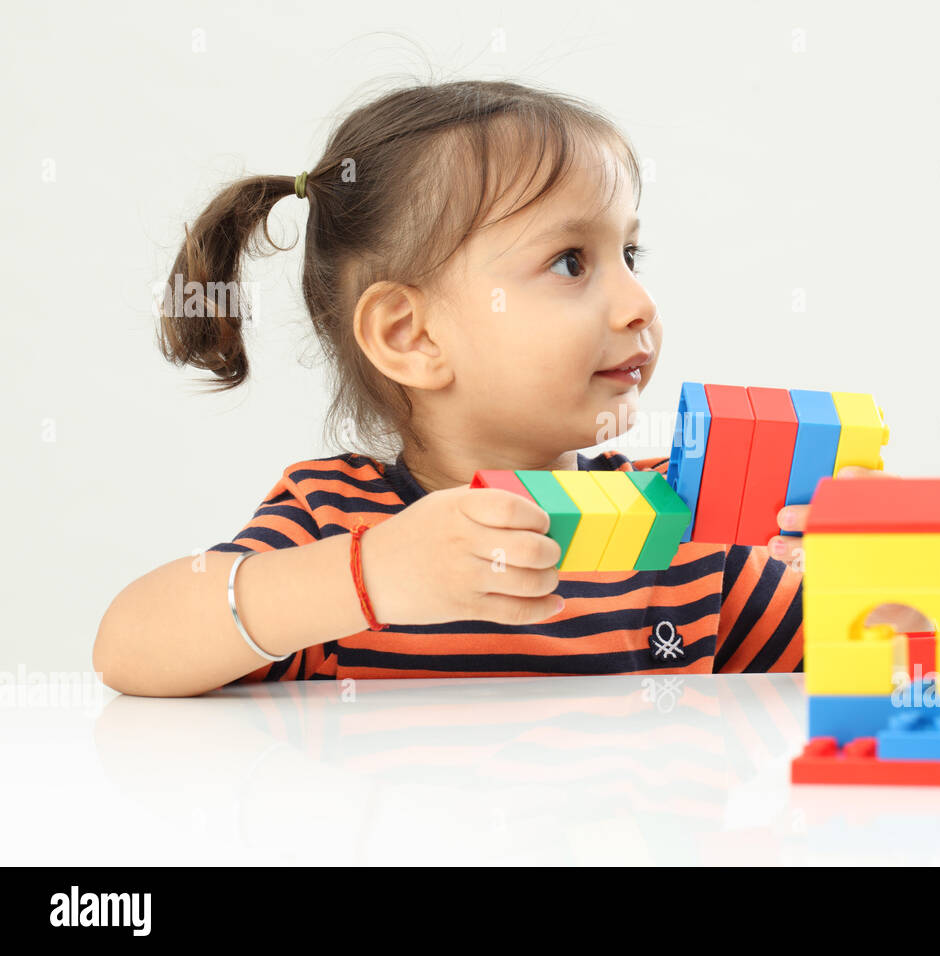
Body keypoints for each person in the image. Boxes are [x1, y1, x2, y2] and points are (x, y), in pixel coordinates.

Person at [93, 79, 893, 698]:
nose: (639, 304)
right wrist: (371, 577)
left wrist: (877, 573)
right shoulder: (336, 522)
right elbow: (127, 647)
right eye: (571, 262)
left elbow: (909, 671)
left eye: (630, 256)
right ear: (411, 336)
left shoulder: (688, 537)